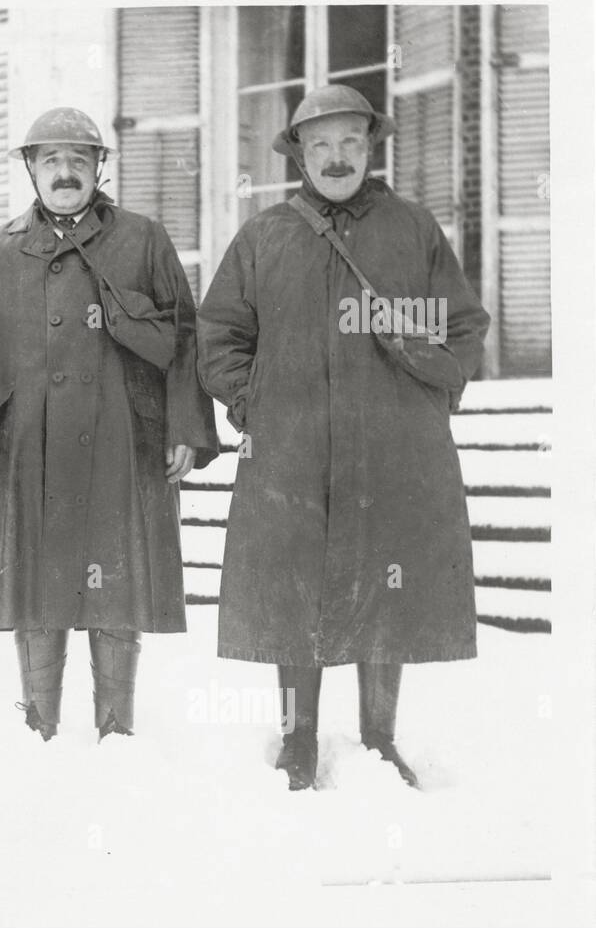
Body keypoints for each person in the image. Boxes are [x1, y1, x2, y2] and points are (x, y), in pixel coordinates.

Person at [197, 84, 491, 790]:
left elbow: (462, 327)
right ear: (299, 155)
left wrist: (424, 380)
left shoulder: (413, 229)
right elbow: (219, 334)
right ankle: (297, 740)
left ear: (370, 147)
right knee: (291, 588)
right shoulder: (264, 236)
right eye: (321, 145)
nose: (337, 158)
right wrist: (253, 403)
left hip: (393, 444)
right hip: (292, 447)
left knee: (388, 581)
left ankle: (379, 738)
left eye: (351, 142)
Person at [0, 107, 219, 741]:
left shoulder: (143, 239)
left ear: (99, 168)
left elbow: (184, 335)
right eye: (51, 161)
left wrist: (184, 427)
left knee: (117, 577)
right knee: (37, 578)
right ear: (31, 171)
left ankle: (116, 729)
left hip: (123, 435)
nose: (65, 173)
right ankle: (41, 725)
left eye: (78, 160)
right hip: (24, 440)